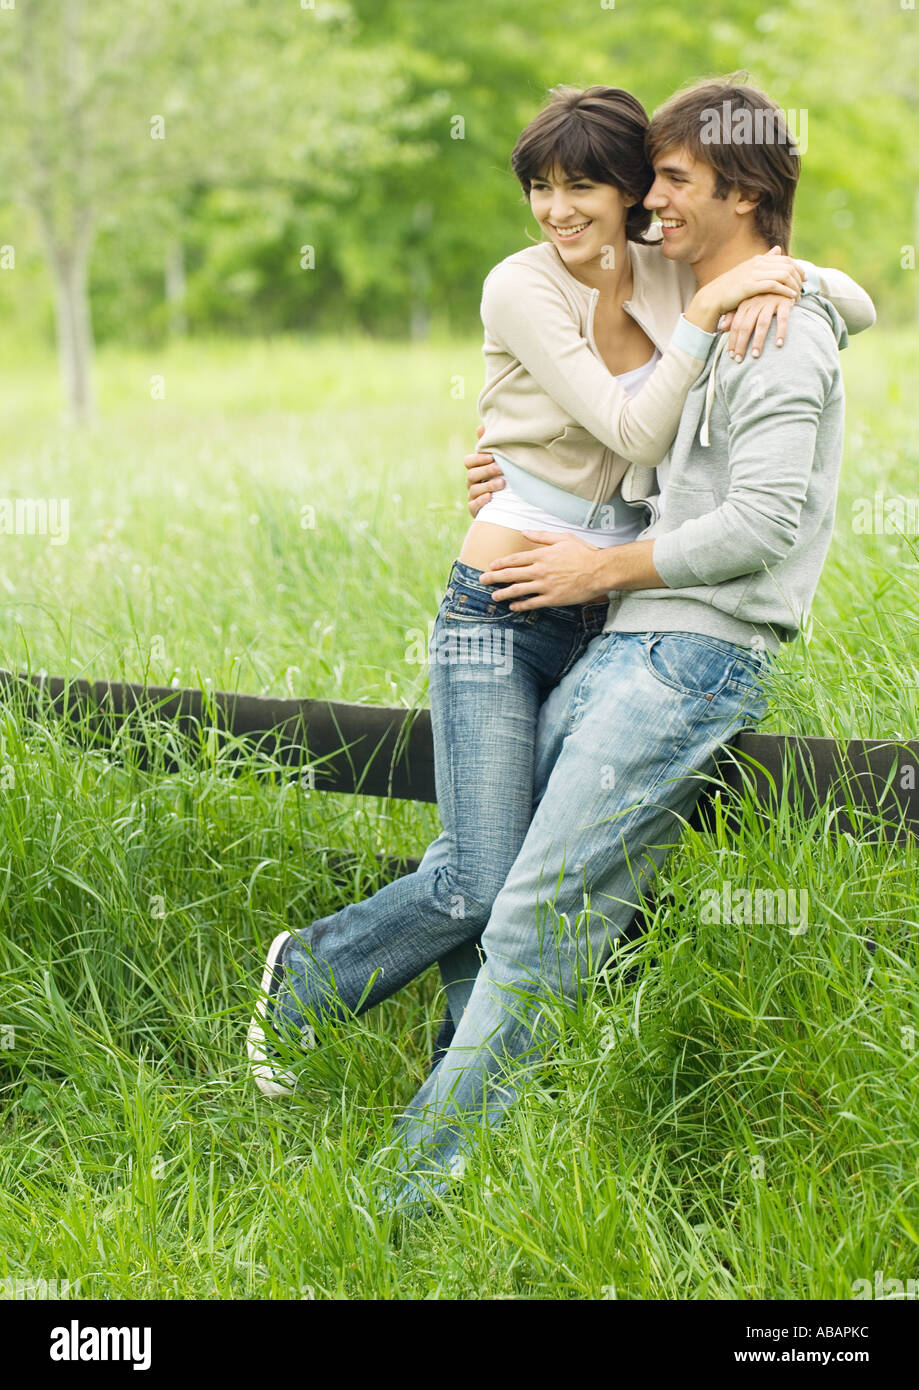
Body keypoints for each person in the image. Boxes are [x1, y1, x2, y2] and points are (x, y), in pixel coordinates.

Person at [250, 77, 872, 1215]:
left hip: (617, 618)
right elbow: (633, 428)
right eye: (538, 184)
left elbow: (825, 327)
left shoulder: (694, 276)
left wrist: (799, 278)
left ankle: (431, 1164)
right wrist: (522, 476)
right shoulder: (532, 283)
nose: (557, 206)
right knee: (492, 878)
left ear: (648, 194)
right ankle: (338, 1012)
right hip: (506, 604)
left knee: (525, 898)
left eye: (590, 183)